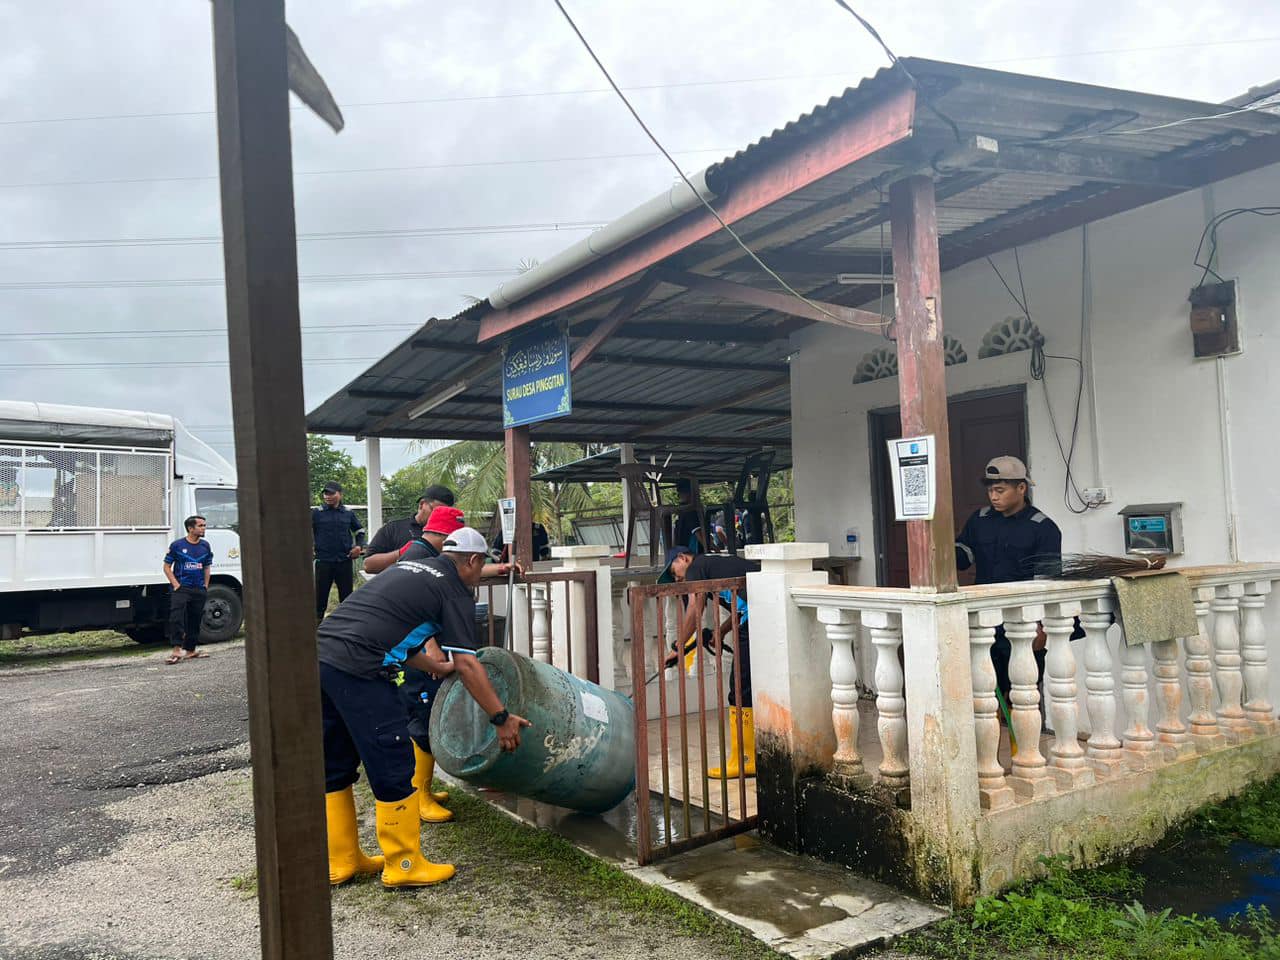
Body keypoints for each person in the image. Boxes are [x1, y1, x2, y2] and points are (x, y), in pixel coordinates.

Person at [317, 526, 531, 889]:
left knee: (335, 762)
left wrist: (436, 667)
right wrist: (500, 716)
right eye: (481, 567)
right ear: (472, 560)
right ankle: (403, 864)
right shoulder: (454, 590)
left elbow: (401, 636)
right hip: (361, 668)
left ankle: (342, 859)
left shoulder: (411, 569)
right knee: (392, 761)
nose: (479, 576)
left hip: (321, 658)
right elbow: (468, 664)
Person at [394, 505, 521, 824]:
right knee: (421, 723)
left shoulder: (431, 558)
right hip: (415, 656)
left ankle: (423, 788)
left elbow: (464, 570)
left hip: (409, 653)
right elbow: (414, 614)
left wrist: (499, 568)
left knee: (425, 720)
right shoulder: (419, 557)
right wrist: (432, 650)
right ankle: (418, 796)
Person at [954, 456, 1065, 707]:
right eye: (990, 491)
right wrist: (940, 548)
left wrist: (1041, 626)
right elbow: (963, 558)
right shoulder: (979, 520)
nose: (993, 496)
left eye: (1000, 490)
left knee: (1022, 694)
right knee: (983, 692)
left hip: (1022, 623)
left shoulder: (1043, 528)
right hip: (984, 620)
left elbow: (1046, 583)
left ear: (1021, 488)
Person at [658, 545, 760, 778]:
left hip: (755, 618)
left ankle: (745, 759)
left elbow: (696, 607)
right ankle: (750, 756)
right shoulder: (713, 566)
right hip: (762, 612)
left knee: (739, 688)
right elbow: (739, 607)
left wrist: (679, 647)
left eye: (674, 572)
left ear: (683, 558)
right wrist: (721, 631)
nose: (678, 580)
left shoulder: (696, 568)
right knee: (748, 684)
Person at [363, 485, 455, 575]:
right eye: (436, 511)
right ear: (422, 504)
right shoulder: (394, 528)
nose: (439, 516)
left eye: (445, 513)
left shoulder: (450, 535)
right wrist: (401, 553)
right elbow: (368, 565)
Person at [162, 515, 213, 665]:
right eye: (200, 526)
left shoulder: (205, 546)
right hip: (182, 588)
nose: (204, 528)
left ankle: (190, 650)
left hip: (199, 588)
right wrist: (176, 585)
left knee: (195, 619)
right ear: (191, 528)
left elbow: (207, 567)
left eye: (204, 525)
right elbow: (166, 567)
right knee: (176, 617)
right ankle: (177, 649)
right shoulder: (177, 545)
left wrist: (205, 585)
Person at [312, 481, 366, 619]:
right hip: (323, 561)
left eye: (331, 493)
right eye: (325, 493)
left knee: (347, 598)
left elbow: (360, 531)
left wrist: (359, 547)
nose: (327, 496)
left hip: (344, 561)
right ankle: (317, 626)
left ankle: (346, 625)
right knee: (319, 598)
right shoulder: (317, 513)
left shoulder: (348, 513)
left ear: (340, 494)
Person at [671, 477, 705, 554]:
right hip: (692, 553)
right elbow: (699, 534)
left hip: (681, 551)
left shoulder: (681, 511)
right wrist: (713, 549)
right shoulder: (691, 511)